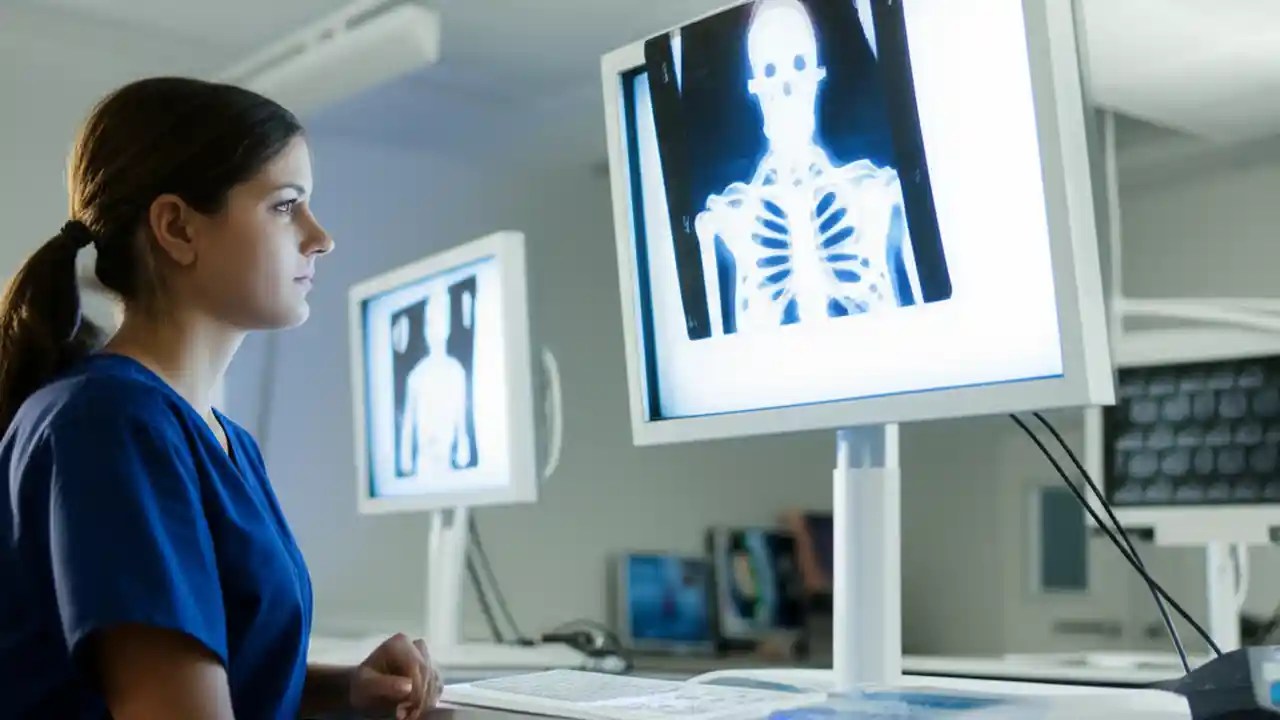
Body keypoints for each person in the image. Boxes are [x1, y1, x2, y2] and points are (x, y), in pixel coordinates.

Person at [0, 77, 440, 720]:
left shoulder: (219, 439)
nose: (321, 237)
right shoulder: (110, 423)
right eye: (286, 206)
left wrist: (343, 689)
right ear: (178, 227)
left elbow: (220, 671)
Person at [398, 292, 472, 479]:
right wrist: (405, 458)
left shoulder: (455, 371)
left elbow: (460, 416)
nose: (434, 330)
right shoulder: (417, 375)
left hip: (447, 461)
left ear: (447, 325)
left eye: (439, 321)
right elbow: (409, 421)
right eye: (430, 323)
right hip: (423, 464)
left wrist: (463, 445)